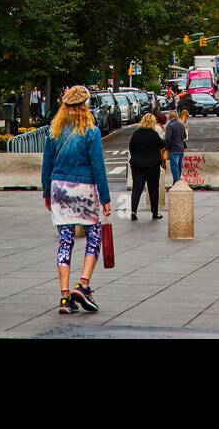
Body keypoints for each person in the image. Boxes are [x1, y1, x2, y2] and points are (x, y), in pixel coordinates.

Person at [41, 84, 111, 315]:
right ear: (85, 106)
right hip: (84, 187)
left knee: (65, 241)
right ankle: (82, 283)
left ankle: (64, 296)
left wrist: (46, 193)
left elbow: (47, 165)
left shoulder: (54, 131)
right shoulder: (91, 132)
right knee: (93, 235)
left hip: (59, 188)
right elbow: (98, 166)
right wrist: (106, 198)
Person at [128, 113, 166, 221]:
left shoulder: (136, 134)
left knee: (137, 188)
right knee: (153, 189)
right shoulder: (154, 134)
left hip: (137, 165)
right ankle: (155, 212)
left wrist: (136, 157)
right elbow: (163, 144)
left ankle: (133, 211)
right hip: (152, 165)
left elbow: (131, 147)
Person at [164, 110, 188, 184]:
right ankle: (178, 182)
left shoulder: (170, 126)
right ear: (176, 117)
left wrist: (165, 147)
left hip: (173, 149)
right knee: (179, 166)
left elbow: (168, 139)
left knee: (174, 166)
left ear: (169, 117)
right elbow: (184, 136)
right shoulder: (181, 125)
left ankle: (176, 182)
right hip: (181, 148)